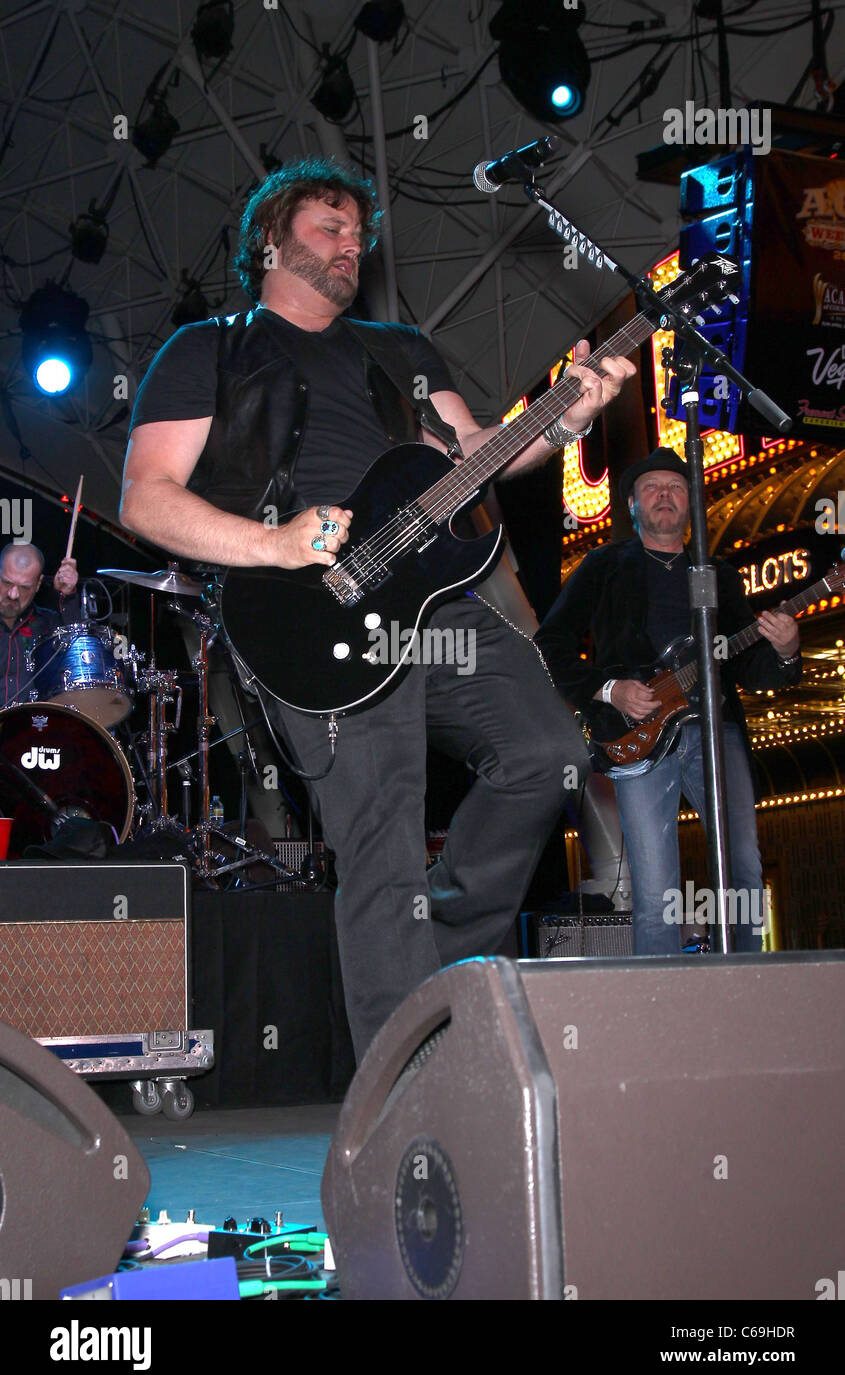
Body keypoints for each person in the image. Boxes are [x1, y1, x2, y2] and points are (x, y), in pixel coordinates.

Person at [120, 157, 637, 1062]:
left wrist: (562, 422)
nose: (351, 242)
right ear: (270, 240)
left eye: (359, 232)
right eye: (329, 225)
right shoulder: (210, 348)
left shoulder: (398, 350)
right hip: (304, 604)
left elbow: (478, 453)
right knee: (382, 835)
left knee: (548, 754)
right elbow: (146, 499)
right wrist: (276, 542)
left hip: (431, 596)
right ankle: (406, 1082)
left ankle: (422, 944)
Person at [536, 446, 801, 955]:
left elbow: (747, 662)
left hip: (716, 730)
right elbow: (549, 644)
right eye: (652, 489)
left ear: (691, 505)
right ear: (632, 506)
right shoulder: (605, 566)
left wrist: (787, 650)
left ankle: (750, 982)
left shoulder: (716, 573)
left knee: (743, 865)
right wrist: (609, 689)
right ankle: (662, 1010)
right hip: (638, 737)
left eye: (676, 488)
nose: (665, 495)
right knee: (656, 888)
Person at [0, 543, 79, 705]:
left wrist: (68, 595)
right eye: (7, 583)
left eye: (24, 588)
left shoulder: (48, 623)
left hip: (34, 726)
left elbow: (79, 656)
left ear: (38, 584)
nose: (13, 595)